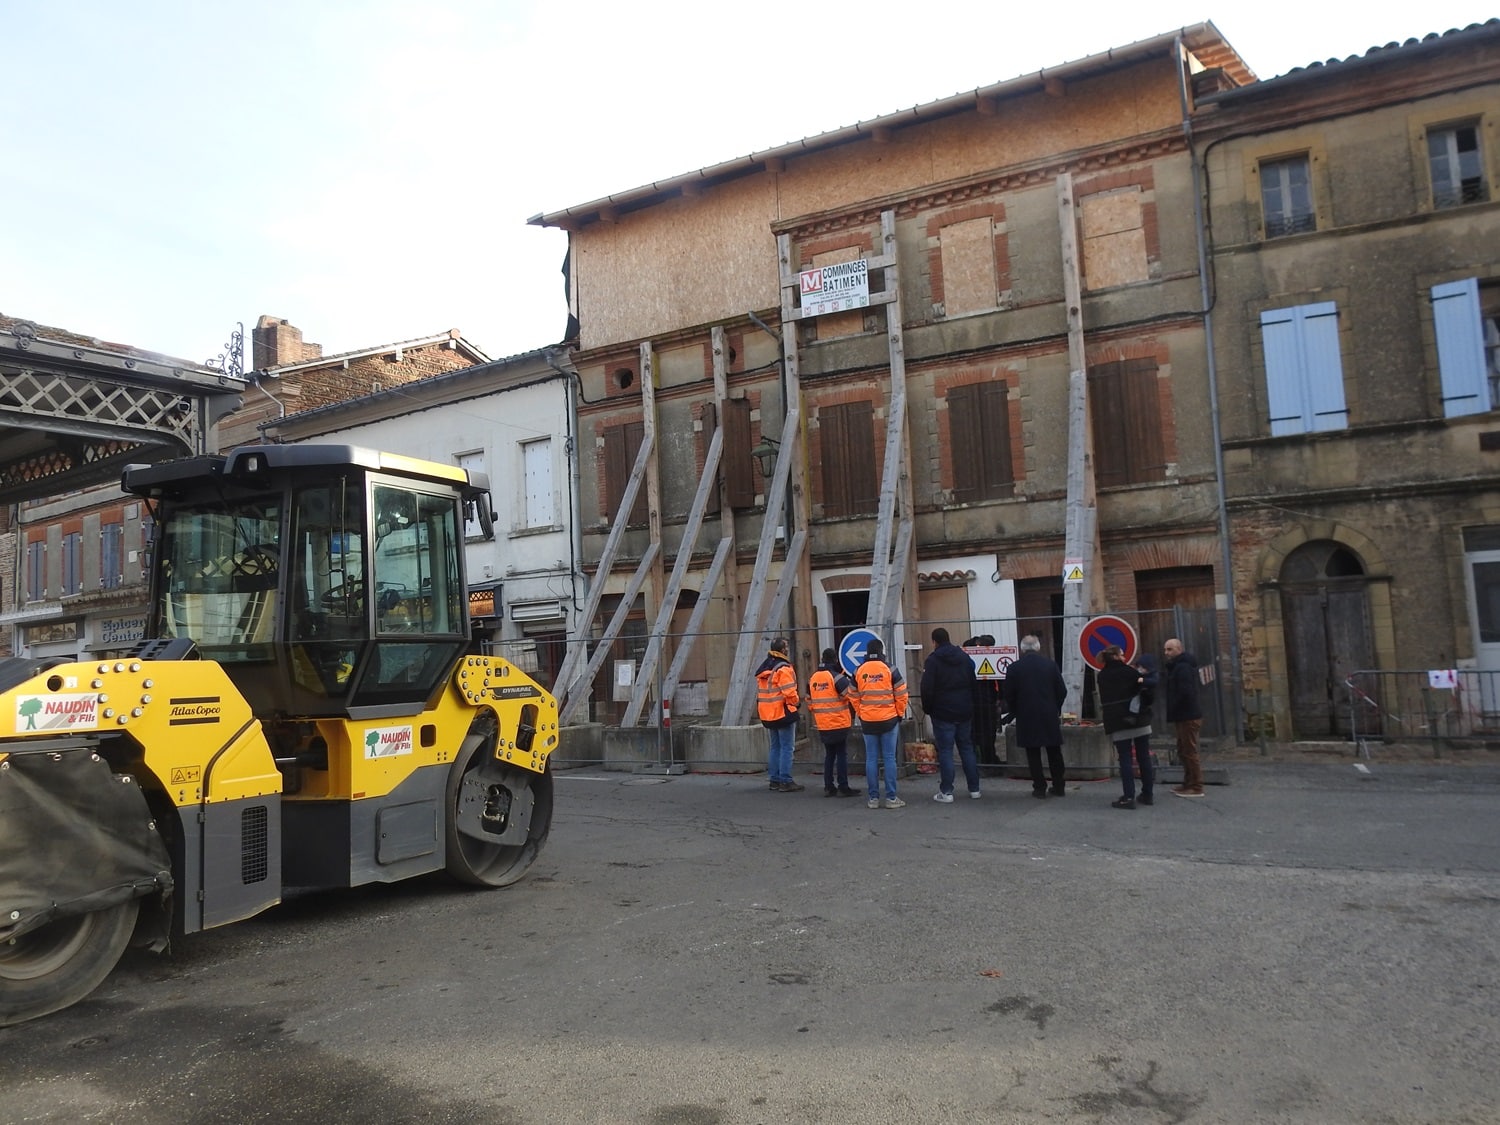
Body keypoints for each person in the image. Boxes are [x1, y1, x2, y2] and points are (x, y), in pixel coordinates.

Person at [1003, 634, 1068, 798]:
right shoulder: (1050, 665)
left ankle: (1039, 787)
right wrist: (1055, 707)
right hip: (1048, 713)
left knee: (1033, 753)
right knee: (1054, 751)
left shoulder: (1014, 668)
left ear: (1022, 649)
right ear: (1038, 647)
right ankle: (1059, 785)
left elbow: (1009, 694)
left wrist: (1015, 710)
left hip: (1026, 714)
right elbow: (1062, 690)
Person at [920, 627, 981, 802]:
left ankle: (946, 792)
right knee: (967, 748)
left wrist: (928, 708)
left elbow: (927, 688)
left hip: (942, 711)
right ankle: (975, 789)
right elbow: (973, 681)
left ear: (934, 642)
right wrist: (971, 704)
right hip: (964, 709)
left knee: (946, 751)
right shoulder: (963, 657)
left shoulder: (933, 661)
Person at [851, 636, 908, 809]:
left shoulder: (858, 671)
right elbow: (902, 694)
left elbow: (852, 695)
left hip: (868, 720)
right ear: (881, 651)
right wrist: (899, 714)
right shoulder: (890, 669)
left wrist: (861, 712)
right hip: (889, 720)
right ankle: (891, 798)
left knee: (871, 758)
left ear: (867, 652)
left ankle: (873, 798)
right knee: (890, 758)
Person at [1097, 646, 1156, 809]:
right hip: (1139, 719)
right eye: (1122, 654)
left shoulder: (1102, 676)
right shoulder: (1131, 672)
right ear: (1116, 656)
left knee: (1125, 758)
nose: (1125, 657)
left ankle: (1128, 796)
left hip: (1117, 721)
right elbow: (1147, 692)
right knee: (1143, 756)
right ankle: (1147, 794)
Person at [808, 648, 858, 797]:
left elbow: (809, 700)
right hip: (838, 722)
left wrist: (818, 711)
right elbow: (850, 695)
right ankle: (843, 786)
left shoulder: (813, 678)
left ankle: (828, 786)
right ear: (835, 659)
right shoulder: (836, 677)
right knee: (841, 754)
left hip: (822, 723)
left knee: (829, 755)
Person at [756, 637, 802, 792]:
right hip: (783, 713)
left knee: (775, 747)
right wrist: (796, 702)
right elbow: (789, 692)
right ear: (783, 650)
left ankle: (774, 780)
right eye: (786, 646)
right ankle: (786, 780)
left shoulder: (765, 667)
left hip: (768, 714)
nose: (788, 649)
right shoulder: (784, 668)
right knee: (787, 748)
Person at [1163, 637, 1204, 797]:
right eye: (1165, 650)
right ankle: (1188, 783)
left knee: (1189, 751)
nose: (1166, 653)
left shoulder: (1183, 667)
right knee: (1183, 750)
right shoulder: (1177, 667)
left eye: (1170, 649)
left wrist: (1175, 705)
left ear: (1179, 650)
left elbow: (1185, 692)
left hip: (1188, 715)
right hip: (1183, 715)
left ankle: (1196, 785)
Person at [965, 634, 1003, 766]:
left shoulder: (988, 658)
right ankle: (985, 760)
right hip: (980, 700)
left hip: (980, 700)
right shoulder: (970, 652)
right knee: (982, 733)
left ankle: (986, 759)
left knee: (984, 733)